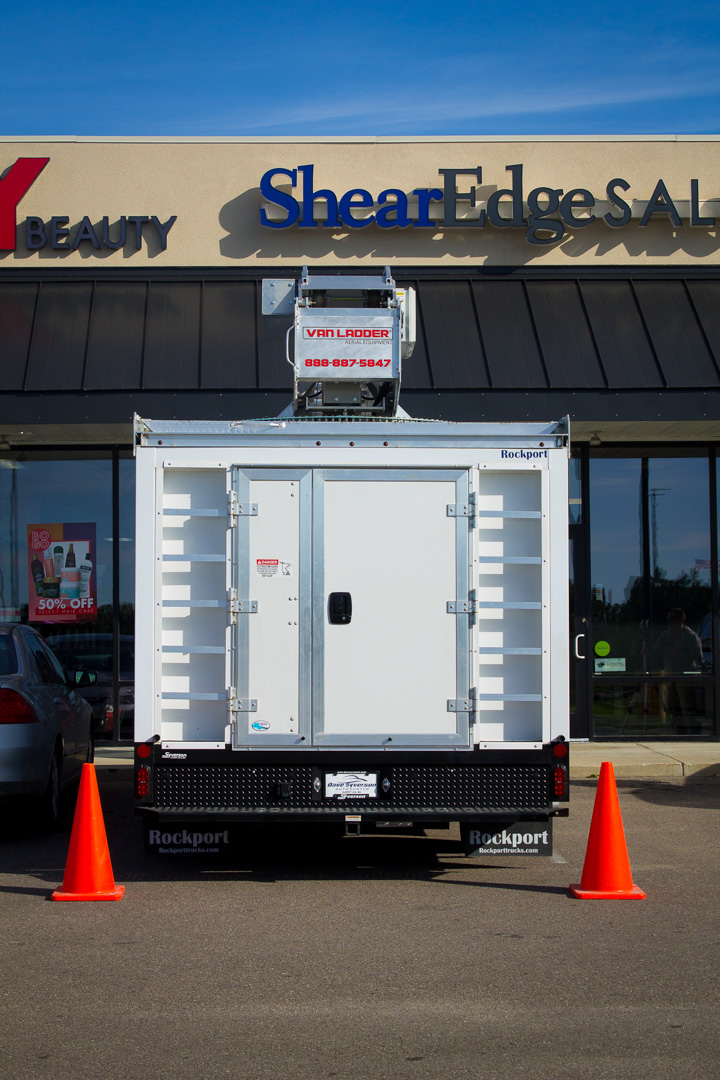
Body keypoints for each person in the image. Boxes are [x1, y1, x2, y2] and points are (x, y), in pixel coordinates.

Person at [651, 608, 703, 729]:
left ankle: (691, 732)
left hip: (685, 678)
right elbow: (655, 653)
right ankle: (677, 732)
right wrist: (647, 651)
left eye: (673, 619)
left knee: (686, 708)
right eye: (669, 619)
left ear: (681, 620)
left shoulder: (690, 636)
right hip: (670, 677)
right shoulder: (665, 636)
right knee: (673, 708)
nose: (670, 622)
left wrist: (678, 654)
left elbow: (698, 657)